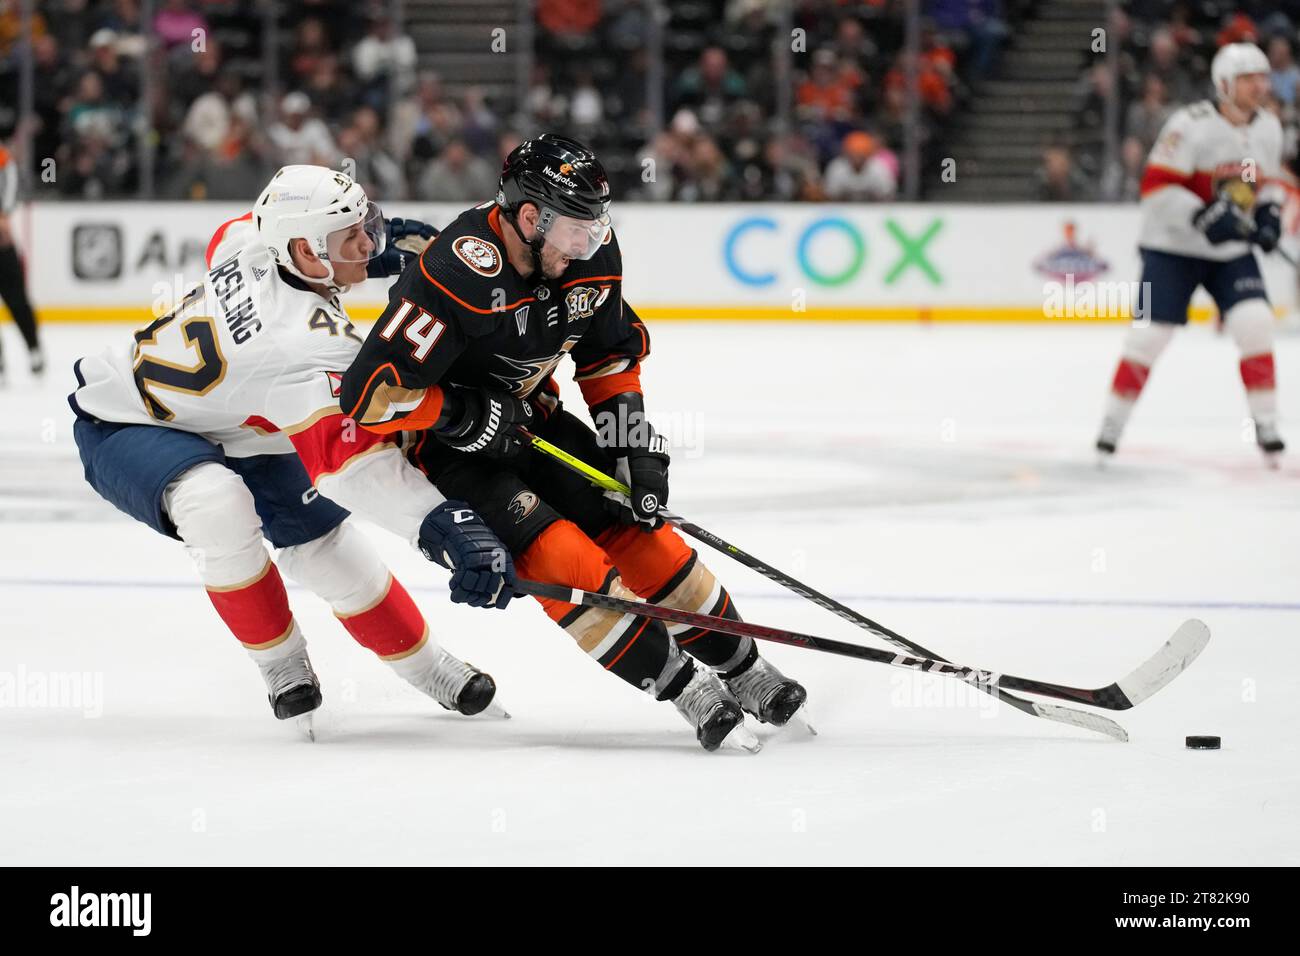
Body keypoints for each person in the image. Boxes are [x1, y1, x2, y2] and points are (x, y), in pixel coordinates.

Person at [341, 134, 809, 753]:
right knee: (566, 562)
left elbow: (607, 351)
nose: (588, 244)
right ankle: (686, 689)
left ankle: (746, 671)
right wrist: (459, 413)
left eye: (596, 228)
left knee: (641, 532)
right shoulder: (456, 271)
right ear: (530, 218)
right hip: (451, 450)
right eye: (574, 231)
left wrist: (628, 444)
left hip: (534, 421)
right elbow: (369, 395)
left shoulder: (589, 252)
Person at [68, 165, 515, 731]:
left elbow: (236, 231)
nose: (369, 240)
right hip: (126, 418)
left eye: (366, 224)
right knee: (216, 504)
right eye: (350, 234)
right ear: (304, 249)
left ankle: (430, 668)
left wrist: (366, 259)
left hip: (236, 416)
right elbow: (347, 464)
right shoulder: (308, 346)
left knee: (323, 544)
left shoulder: (256, 243)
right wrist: (437, 520)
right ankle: (281, 664)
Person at [1097, 44, 1287, 465]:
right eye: (1248, 79)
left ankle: (1267, 423)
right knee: (1149, 336)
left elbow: (1269, 182)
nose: (1260, 85)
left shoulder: (1269, 128)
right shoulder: (1189, 125)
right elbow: (1155, 189)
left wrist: (1270, 213)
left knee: (1255, 323)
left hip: (1230, 249)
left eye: (1262, 77)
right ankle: (1113, 422)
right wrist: (1202, 214)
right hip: (1172, 246)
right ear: (1224, 85)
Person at [0, 142, 44, 385]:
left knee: (17, 299)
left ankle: (33, 346)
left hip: (1, 241)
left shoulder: (2, 156)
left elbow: (10, 174)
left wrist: (5, 213)